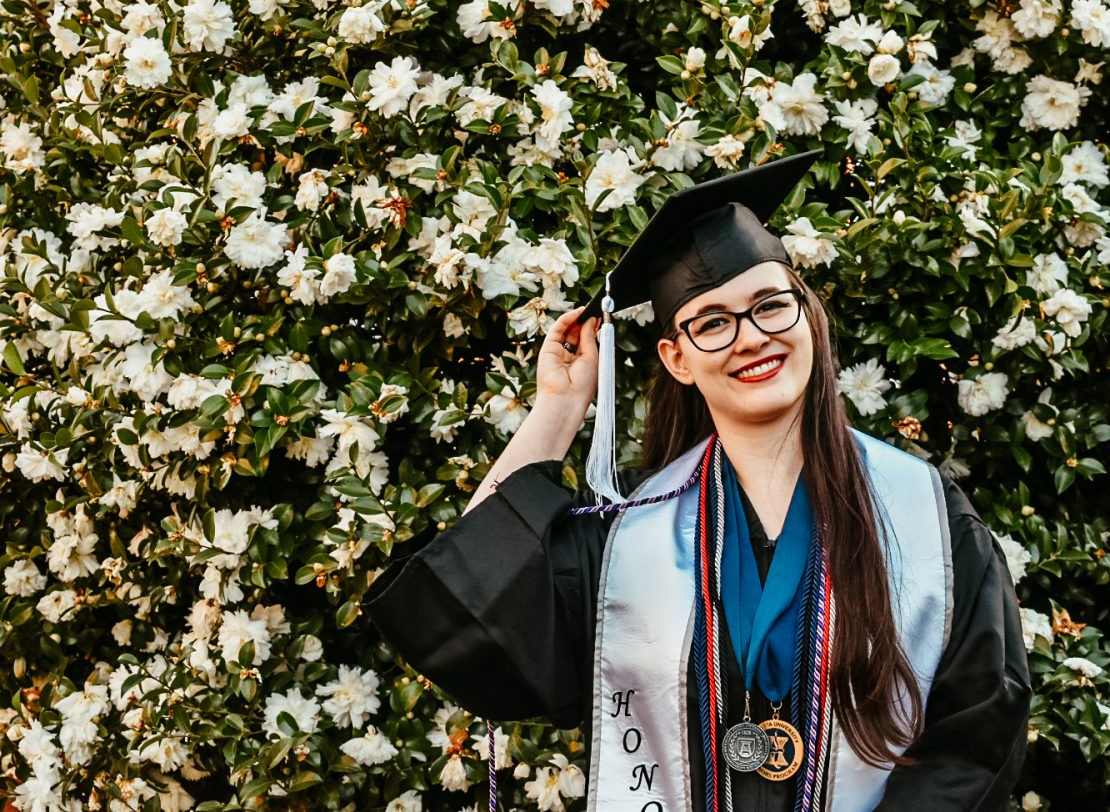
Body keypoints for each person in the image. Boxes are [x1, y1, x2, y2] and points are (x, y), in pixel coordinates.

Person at [363, 151, 1031, 810]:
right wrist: (558, 410)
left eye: (770, 305)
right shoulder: (628, 529)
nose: (750, 337)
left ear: (808, 314)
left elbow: (976, 732)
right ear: (676, 358)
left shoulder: (922, 514)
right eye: (713, 322)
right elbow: (468, 610)